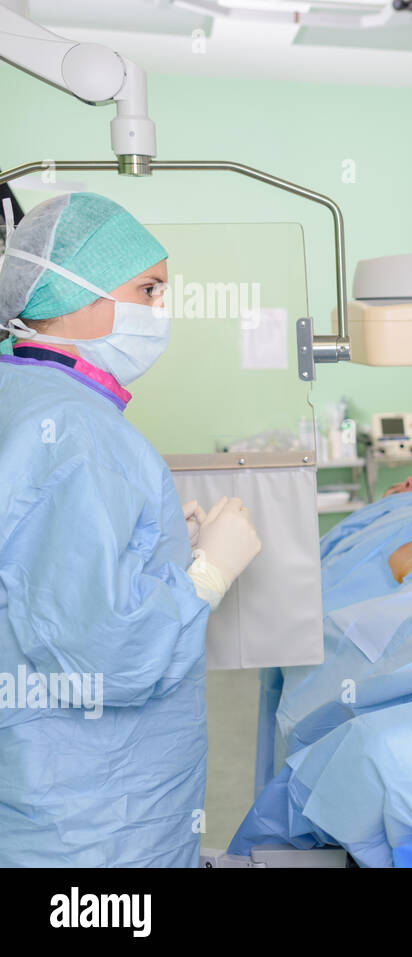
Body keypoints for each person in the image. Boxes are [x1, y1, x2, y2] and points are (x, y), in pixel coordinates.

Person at [0, 192, 262, 866]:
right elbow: (103, 655)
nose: (160, 310)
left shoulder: (23, 395)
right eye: (148, 289)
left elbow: (39, 568)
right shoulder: (80, 434)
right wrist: (208, 573)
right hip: (92, 824)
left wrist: (145, 540)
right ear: (73, 290)